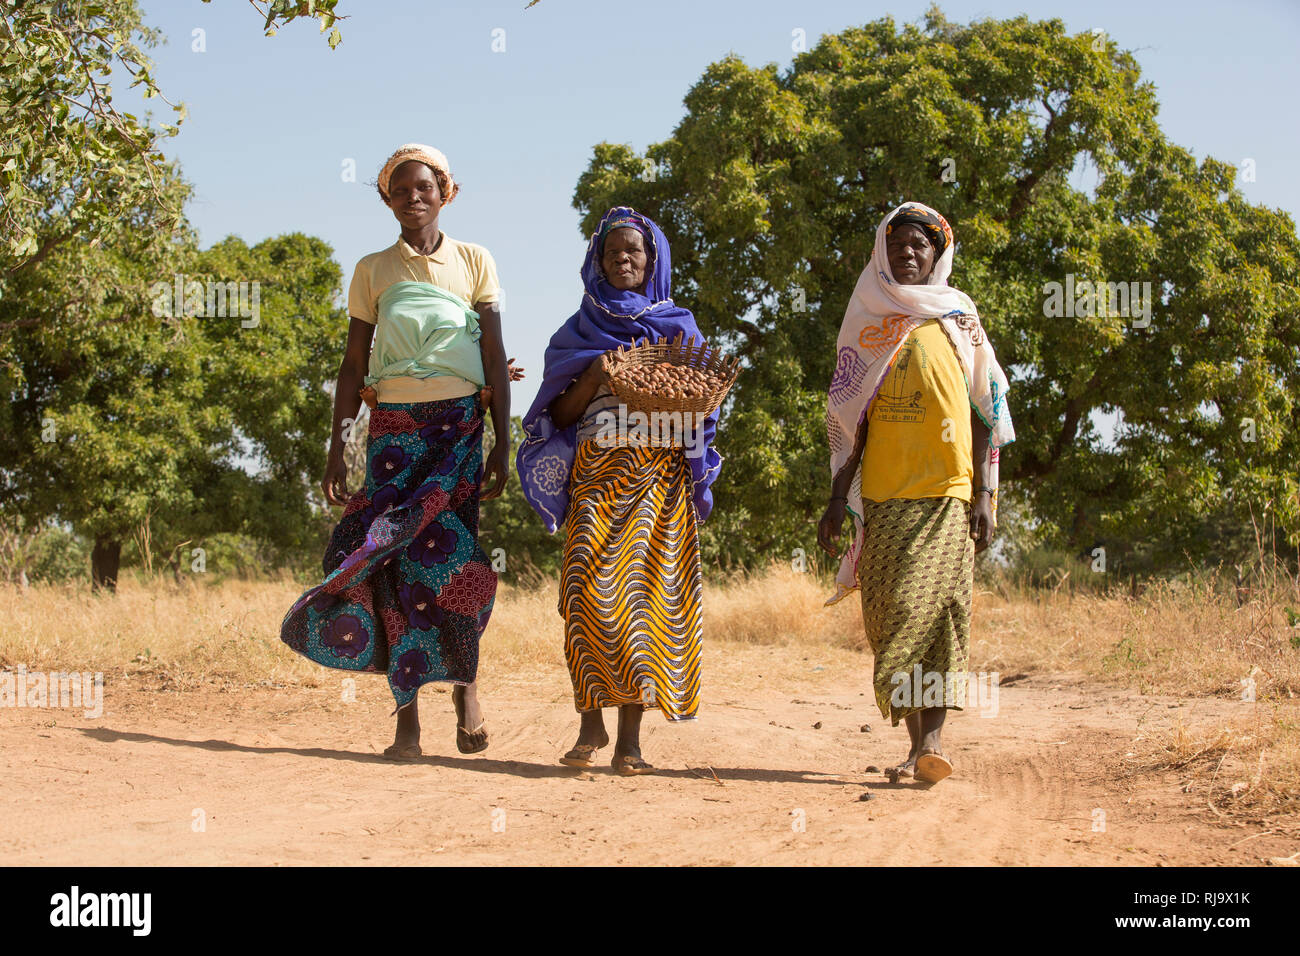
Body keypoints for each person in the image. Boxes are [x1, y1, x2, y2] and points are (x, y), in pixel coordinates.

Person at [281, 144, 514, 760]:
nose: (414, 198)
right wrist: (338, 444)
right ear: (387, 200)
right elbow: (354, 362)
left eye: (425, 188)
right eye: (401, 190)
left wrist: (502, 441)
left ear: (447, 192)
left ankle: (465, 687)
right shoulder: (372, 269)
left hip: (460, 429)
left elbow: (493, 354)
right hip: (393, 433)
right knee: (390, 560)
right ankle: (406, 720)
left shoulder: (475, 260)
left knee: (457, 564)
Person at [517, 207, 723, 775]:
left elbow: (703, 414)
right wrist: (597, 377)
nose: (623, 260)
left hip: (657, 485)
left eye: (634, 251)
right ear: (597, 263)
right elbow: (555, 415)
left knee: (640, 605)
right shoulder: (576, 333)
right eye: (613, 253)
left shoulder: (680, 328)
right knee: (585, 597)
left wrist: (670, 397)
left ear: (651, 260)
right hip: (597, 481)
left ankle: (630, 742)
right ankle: (590, 723)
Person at [818, 202, 1015, 785]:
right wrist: (835, 499)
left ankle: (927, 746)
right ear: (883, 251)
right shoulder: (865, 321)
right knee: (894, 617)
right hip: (882, 496)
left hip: (948, 494)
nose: (908, 252)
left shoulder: (959, 320)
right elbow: (852, 421)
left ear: (937, 256)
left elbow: (986, 408)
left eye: (919, 245)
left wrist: (984, 492)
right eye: (898, 243)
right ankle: (916, 742)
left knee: (940, 617)